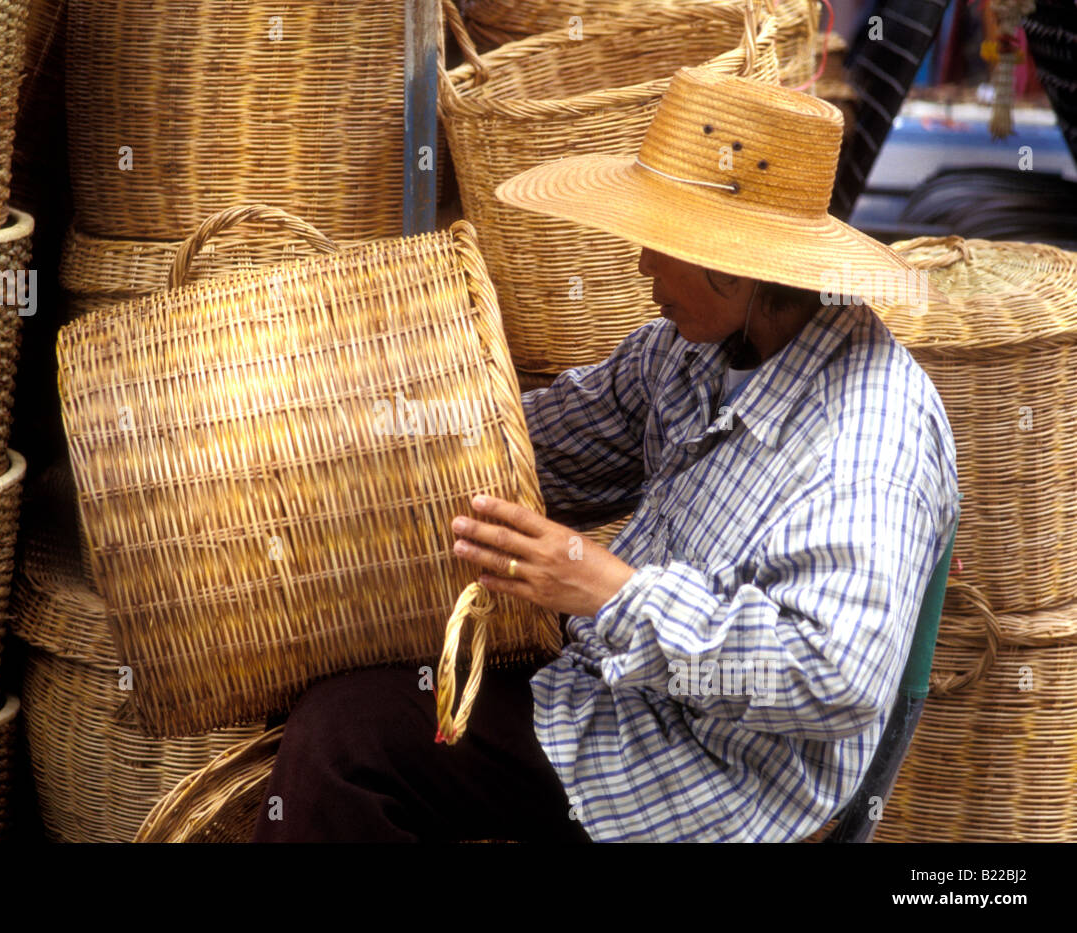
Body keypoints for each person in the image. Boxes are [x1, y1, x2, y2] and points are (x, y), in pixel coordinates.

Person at [251, 66, 959, 843]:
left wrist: (606, 588)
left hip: (719, 780)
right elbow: (541, 442)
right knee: (349, 707)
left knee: (345, 745)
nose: (643, 266)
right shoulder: (693, 351)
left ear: (741, 262)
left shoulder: (864, 438)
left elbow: (836, 680)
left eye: (664, 242)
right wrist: (378, 436)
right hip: (615, 695)